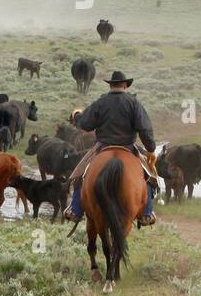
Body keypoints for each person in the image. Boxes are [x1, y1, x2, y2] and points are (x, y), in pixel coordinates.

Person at [62, 70, 157, 225]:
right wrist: (151, 149)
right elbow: (144, 129)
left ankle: (75, 209)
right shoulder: (134, 103)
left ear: (111, 85)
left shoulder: (102, 101)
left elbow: (85, 124)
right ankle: (146, 213)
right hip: (128, 147)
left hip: (103, 146)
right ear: (125, 85)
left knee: (79, 173)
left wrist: (77, 115)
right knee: (150, 177)